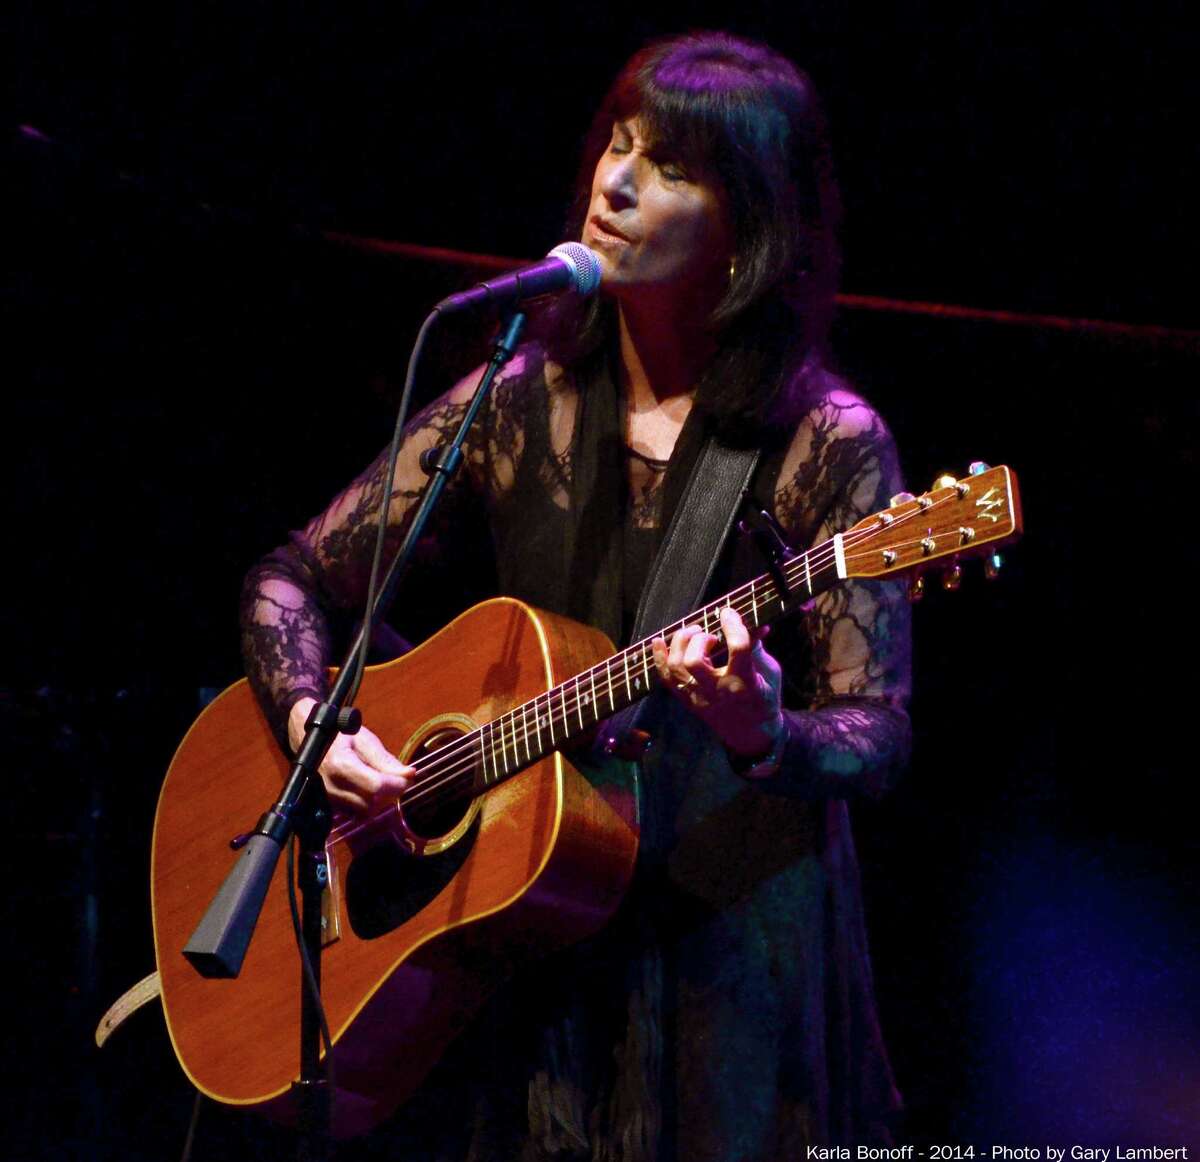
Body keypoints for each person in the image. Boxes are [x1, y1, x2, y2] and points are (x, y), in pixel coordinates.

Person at [240, 30, 912, 1159]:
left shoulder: (825, 443)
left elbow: (879, 732)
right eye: (618, 142)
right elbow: (292, 578)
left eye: (671, 168)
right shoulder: (515, 401)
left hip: (729, 961)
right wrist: (318, 722)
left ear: (751, 227)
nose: (614, 182)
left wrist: (765, 731)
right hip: (535, 949)